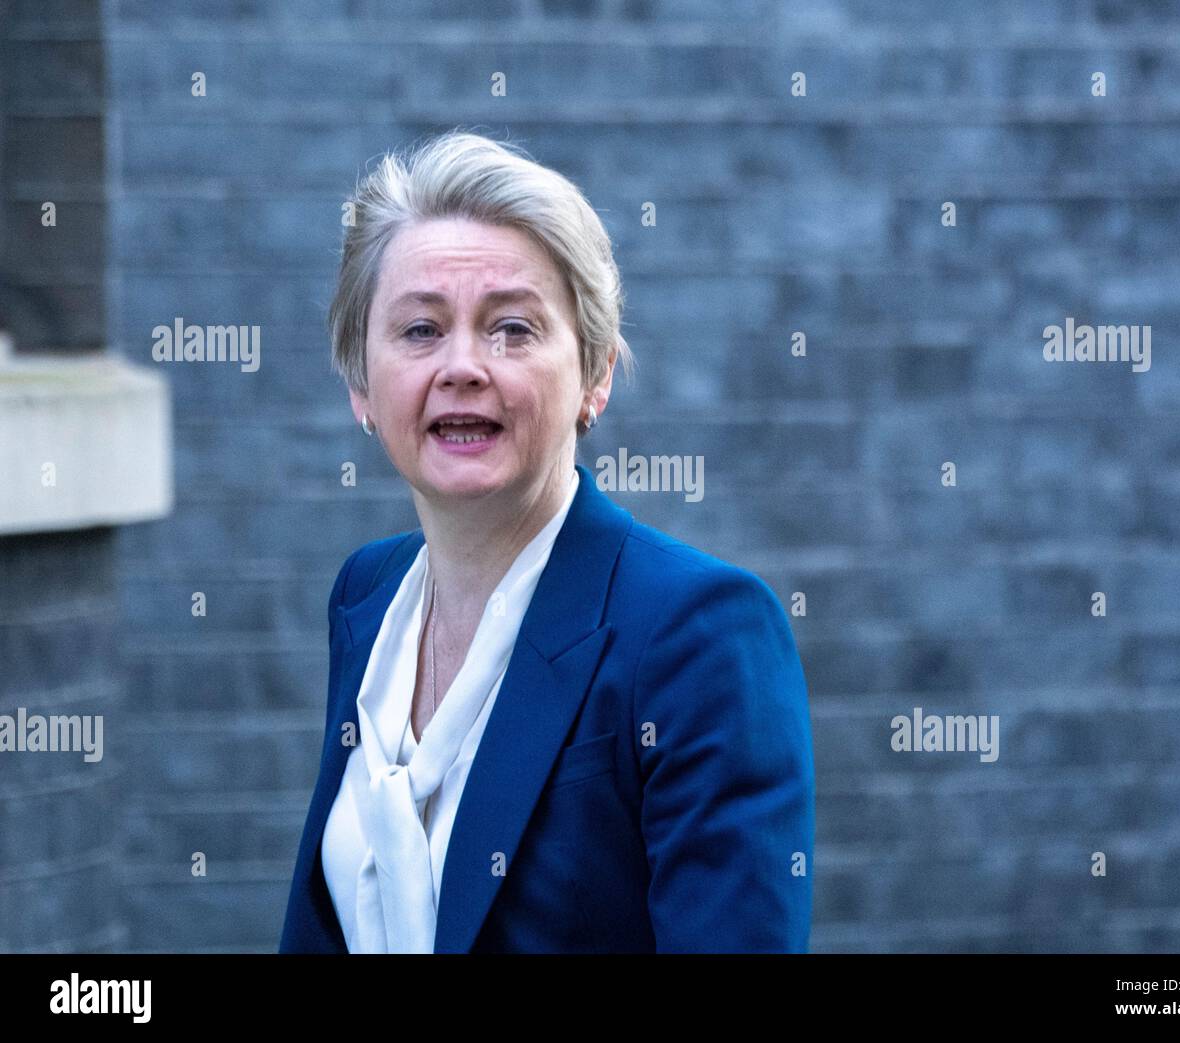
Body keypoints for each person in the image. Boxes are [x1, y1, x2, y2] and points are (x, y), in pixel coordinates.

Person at [278, 129, 814, 953]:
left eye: (513, 330)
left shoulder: (700, 633)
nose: (463, 365)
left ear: (595, 374)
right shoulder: (366, 598)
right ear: (361, 385)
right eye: (420, 330)